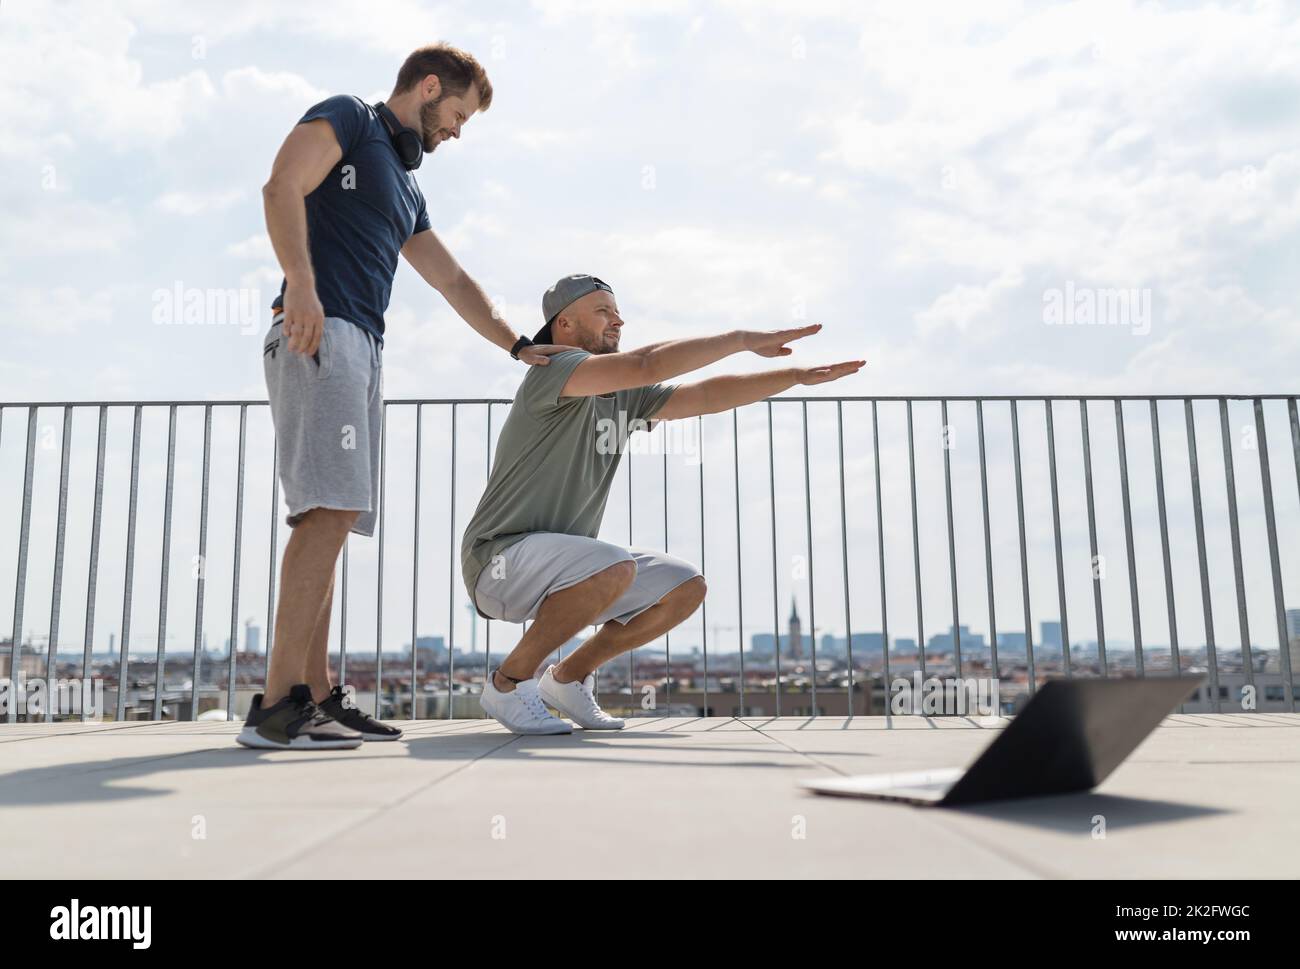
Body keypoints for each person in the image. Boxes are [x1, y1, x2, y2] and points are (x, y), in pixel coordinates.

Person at [239, 44, 563, 750]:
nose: (455, 132)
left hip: (361, 346)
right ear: (425, 87)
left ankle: (313, 695)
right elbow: (280, 186)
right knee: (325, 512)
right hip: (319, 327)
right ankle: (274, 705)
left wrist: (515, 344)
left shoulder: (408, 189)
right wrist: (301, 282)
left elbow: (451, 280)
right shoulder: (348, 118)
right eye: (456, 115)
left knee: (334, 515)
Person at [461, 274, 864, 734]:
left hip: (567, 569)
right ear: (565, 324)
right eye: (604, 311)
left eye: (617, 311)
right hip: (499, 560)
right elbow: (647, 363)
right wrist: (741, 339)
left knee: (684, 585)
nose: (619, 320)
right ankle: (508, 684)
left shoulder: (622, 396)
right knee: (613, 564)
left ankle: (567, 680)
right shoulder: (553, 370)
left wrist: (793, 377)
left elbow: (706, 396)